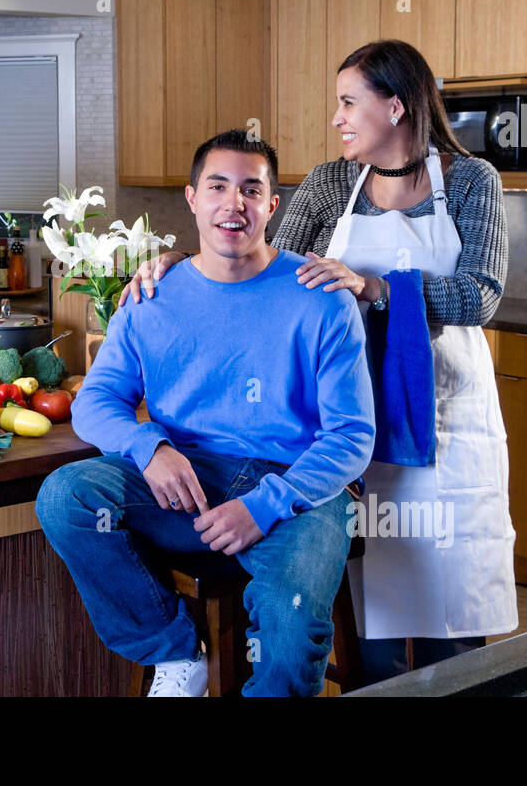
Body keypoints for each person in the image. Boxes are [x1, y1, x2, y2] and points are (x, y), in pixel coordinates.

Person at [122, 39, 519, 683]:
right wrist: (177, 264)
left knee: (451, 592)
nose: (336, 118)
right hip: (345, 411)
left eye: (347, 103)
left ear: (394, 107)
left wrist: (374, 287)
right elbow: (256, 262)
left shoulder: (472, 180)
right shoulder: (334, 183)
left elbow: (482, 294)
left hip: (445, 417)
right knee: (370, 604)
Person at [36, 129, 375, 697]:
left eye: (251, 189)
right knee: (67, 497)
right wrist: (150, 447)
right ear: (193, 199)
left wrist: (263, 507)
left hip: (299, 490)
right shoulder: (153, 295)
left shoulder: (320, 296)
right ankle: (173, 653)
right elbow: (95, 401)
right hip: (188, 482)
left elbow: (351, 437)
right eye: (217, 186)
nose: (233, 203)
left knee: (291, 624)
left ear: (272, 205)